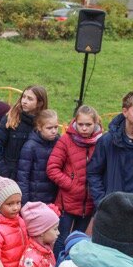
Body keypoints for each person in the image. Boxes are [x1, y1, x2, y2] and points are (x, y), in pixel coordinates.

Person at [46, 105, 103, 258]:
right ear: (75, 122)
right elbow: (52, 168)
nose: (84, 128)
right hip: (67, 202)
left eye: (88, 124)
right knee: (62, 239)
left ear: (96, 123)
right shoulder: (66, 140)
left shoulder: (101, 142)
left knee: (79, 240)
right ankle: (57, 266)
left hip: (88, 203)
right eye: (80, 124)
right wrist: (71, 185)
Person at [86, 91, 133, 204]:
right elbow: (93, 173)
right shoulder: (107, 141)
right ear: (125, 112)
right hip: (114, 207)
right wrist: (102, 202)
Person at [0, 85, 48, 179]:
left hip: (34, 179)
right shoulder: (11, 119)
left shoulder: (45, 123)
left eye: (30, 99)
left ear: (40, 103)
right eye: (23, 97)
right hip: (11, 177)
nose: (24, 101)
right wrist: (5, 173)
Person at [16, 109, 59, 204]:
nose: (54, 131)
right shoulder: (30, 147)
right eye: (49, 128)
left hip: (54, 197)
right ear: (39, 127)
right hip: (35, 198)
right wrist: (24, 202)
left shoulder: (59, 143)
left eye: (56, 127)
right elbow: (23, 176)